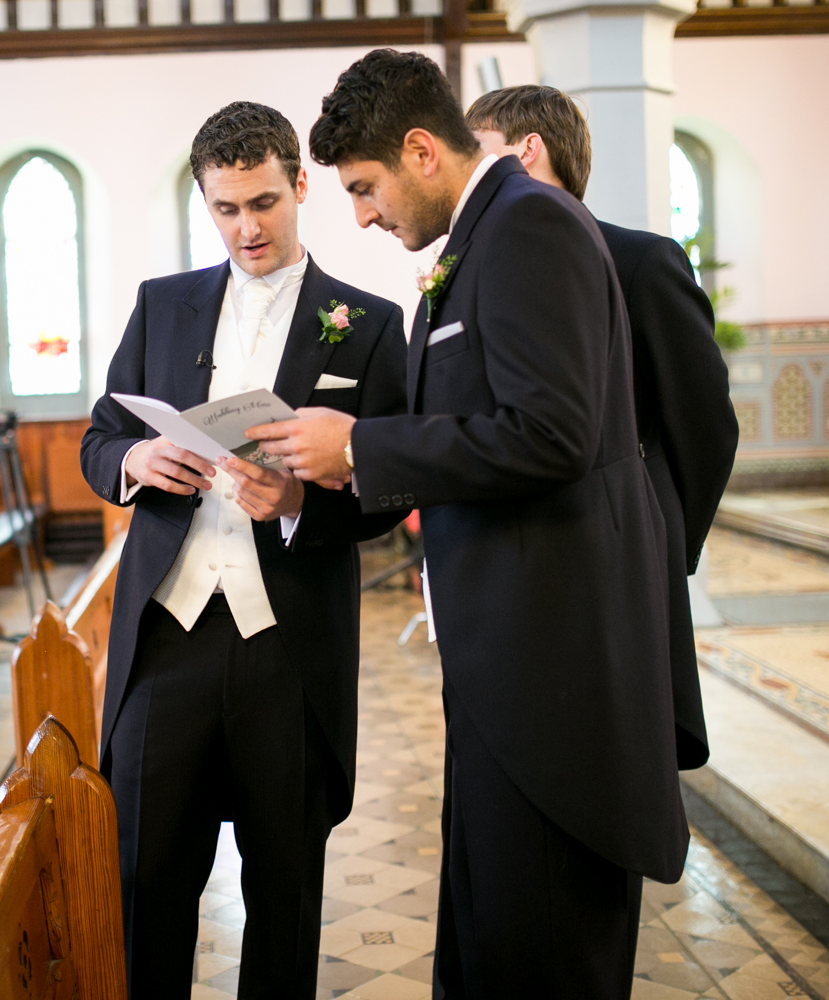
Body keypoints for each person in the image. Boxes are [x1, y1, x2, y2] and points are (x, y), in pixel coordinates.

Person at [250, 51, 685, 997]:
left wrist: (365, 447)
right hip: (507, 656)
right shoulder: (486, 235)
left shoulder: (531, 228)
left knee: (541, 946)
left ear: (421, 150)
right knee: (493, 935)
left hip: (554, 667)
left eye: (365, 187)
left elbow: (551, 433)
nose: (364, 214)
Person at [78, 102, 407, 999]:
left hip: (288, 647)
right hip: (167, 639)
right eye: (226, 209)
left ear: (301, 186)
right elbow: (98, 441)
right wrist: (139, 459)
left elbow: (393, 489)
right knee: (146, 878)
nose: (247, 228)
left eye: (263, 202)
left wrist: (300, 501)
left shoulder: (369, 323)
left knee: (285, 888)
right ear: (204, 203)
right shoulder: (162, 305)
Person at [466, 84, 739, 770]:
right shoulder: (485, 270)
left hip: (626, 549)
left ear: (529, 150)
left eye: (479, 152)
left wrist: (664, 533)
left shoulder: (641, 261)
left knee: (623, 754)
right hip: (530, 566)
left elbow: (707, 423)